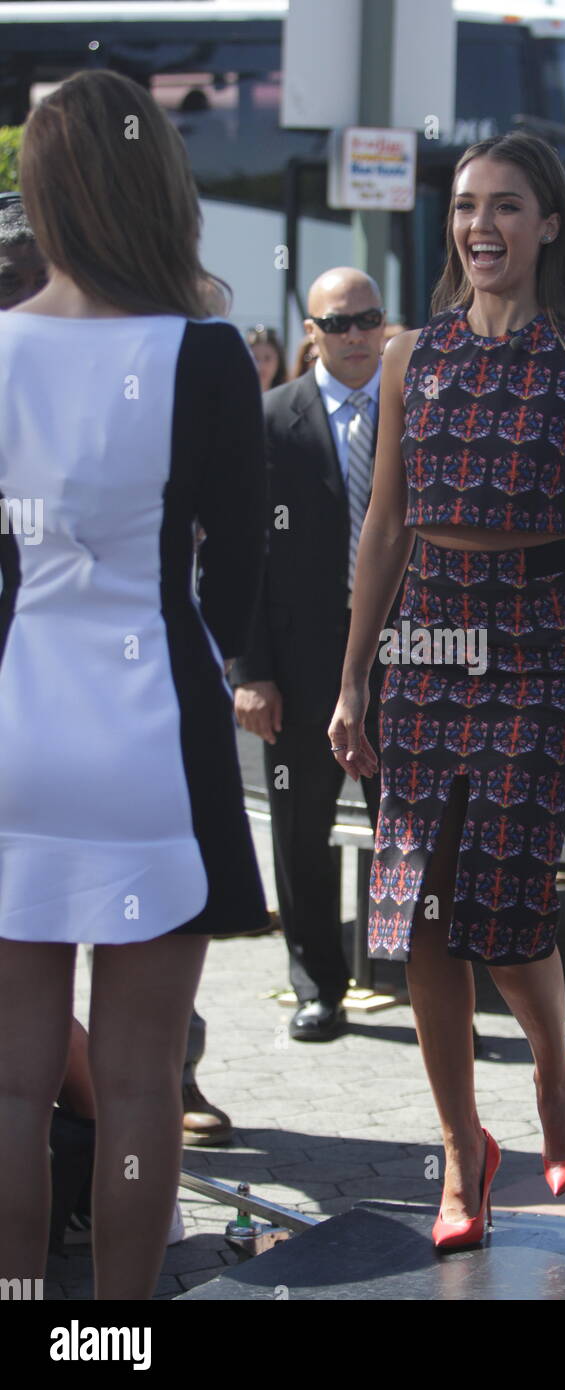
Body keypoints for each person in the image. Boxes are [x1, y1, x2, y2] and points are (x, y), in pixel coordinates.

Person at [328, 130, 565, 1248]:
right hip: (421, 645)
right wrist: (351, 676)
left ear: (549, 223)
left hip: (539, 643)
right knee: (417, 916)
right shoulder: (416, 351)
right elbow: (384, 524)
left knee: (503, 915)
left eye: (506, 206)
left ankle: (554, 1065)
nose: (480, 227)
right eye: (465, 206)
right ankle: (463, 1148)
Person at [0, 69, 268, 1299]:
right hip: (151, 729)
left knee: (8, 1078)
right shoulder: (208, 356)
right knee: (143, 1076)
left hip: (19, 718)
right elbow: (243, 584)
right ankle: (114, 1333)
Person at [232, 269, 398, 1041]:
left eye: (368, 319)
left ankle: (421, 982)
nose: (356, 335)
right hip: (299, 666)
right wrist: (250, 672)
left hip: (408, 657)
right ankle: (317, 985)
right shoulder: (268, 420)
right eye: (339, 323)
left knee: (410, 828)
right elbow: (240, 556)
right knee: (300, 828)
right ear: (311, 330)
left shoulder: (415, 406)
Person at [246, 324, 288, 391]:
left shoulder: (290, 397)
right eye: (255, 358)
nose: (261, 365)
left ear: (279, 360)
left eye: (267, 358)